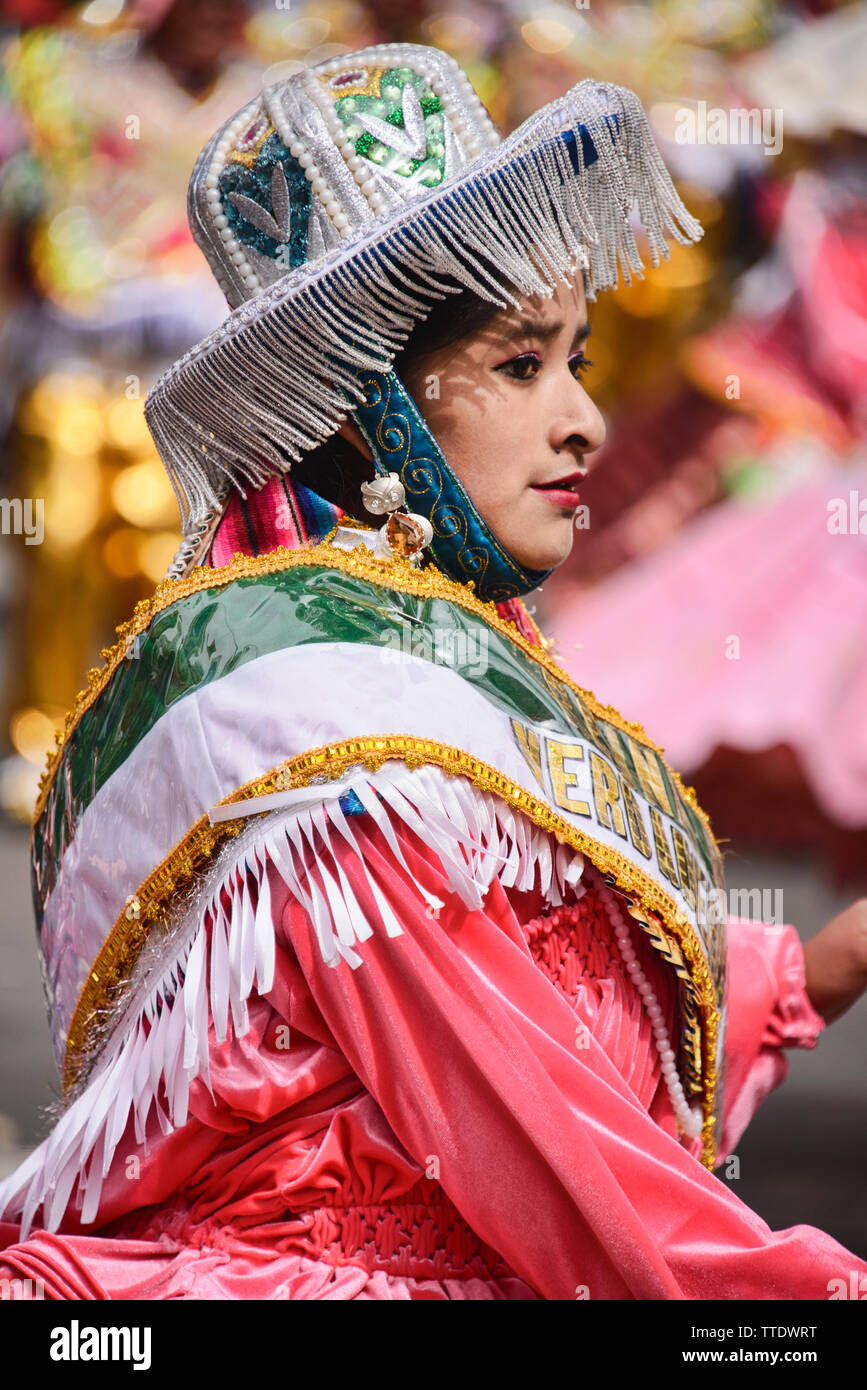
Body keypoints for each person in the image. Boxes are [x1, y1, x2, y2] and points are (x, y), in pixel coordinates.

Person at [1, 41, 865, 1301]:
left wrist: (827, 961)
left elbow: (560, 994)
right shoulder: (329, 734)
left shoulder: (409, 656)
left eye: (575, 358)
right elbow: (551, 1144)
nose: (587, 418)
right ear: (369, 412)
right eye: (523, 364)